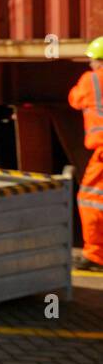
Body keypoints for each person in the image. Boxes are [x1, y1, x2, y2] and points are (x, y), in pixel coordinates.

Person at [68, 36, 103, 271]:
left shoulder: (91, 81)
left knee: (90, 199)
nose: (90, 64)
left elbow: (74, 99)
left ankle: (95, 255)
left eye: (92, 60)